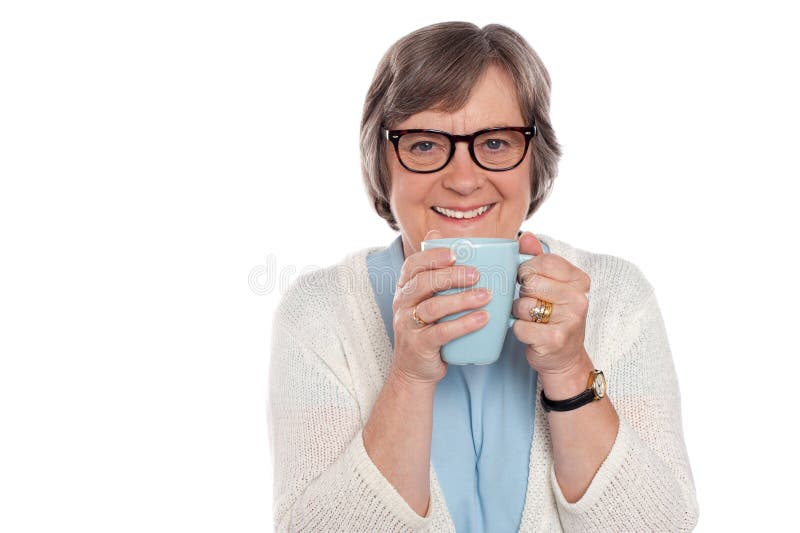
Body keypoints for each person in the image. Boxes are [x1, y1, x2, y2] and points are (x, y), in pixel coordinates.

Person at [268, 21, 699, 532]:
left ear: (533, 161)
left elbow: (659, 525)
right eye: (425, 144)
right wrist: (408, 376)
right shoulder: (320, 315)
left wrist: (568, 369)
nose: (464, 178)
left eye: (494, 142)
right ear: (383, 165)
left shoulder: (617, 298)